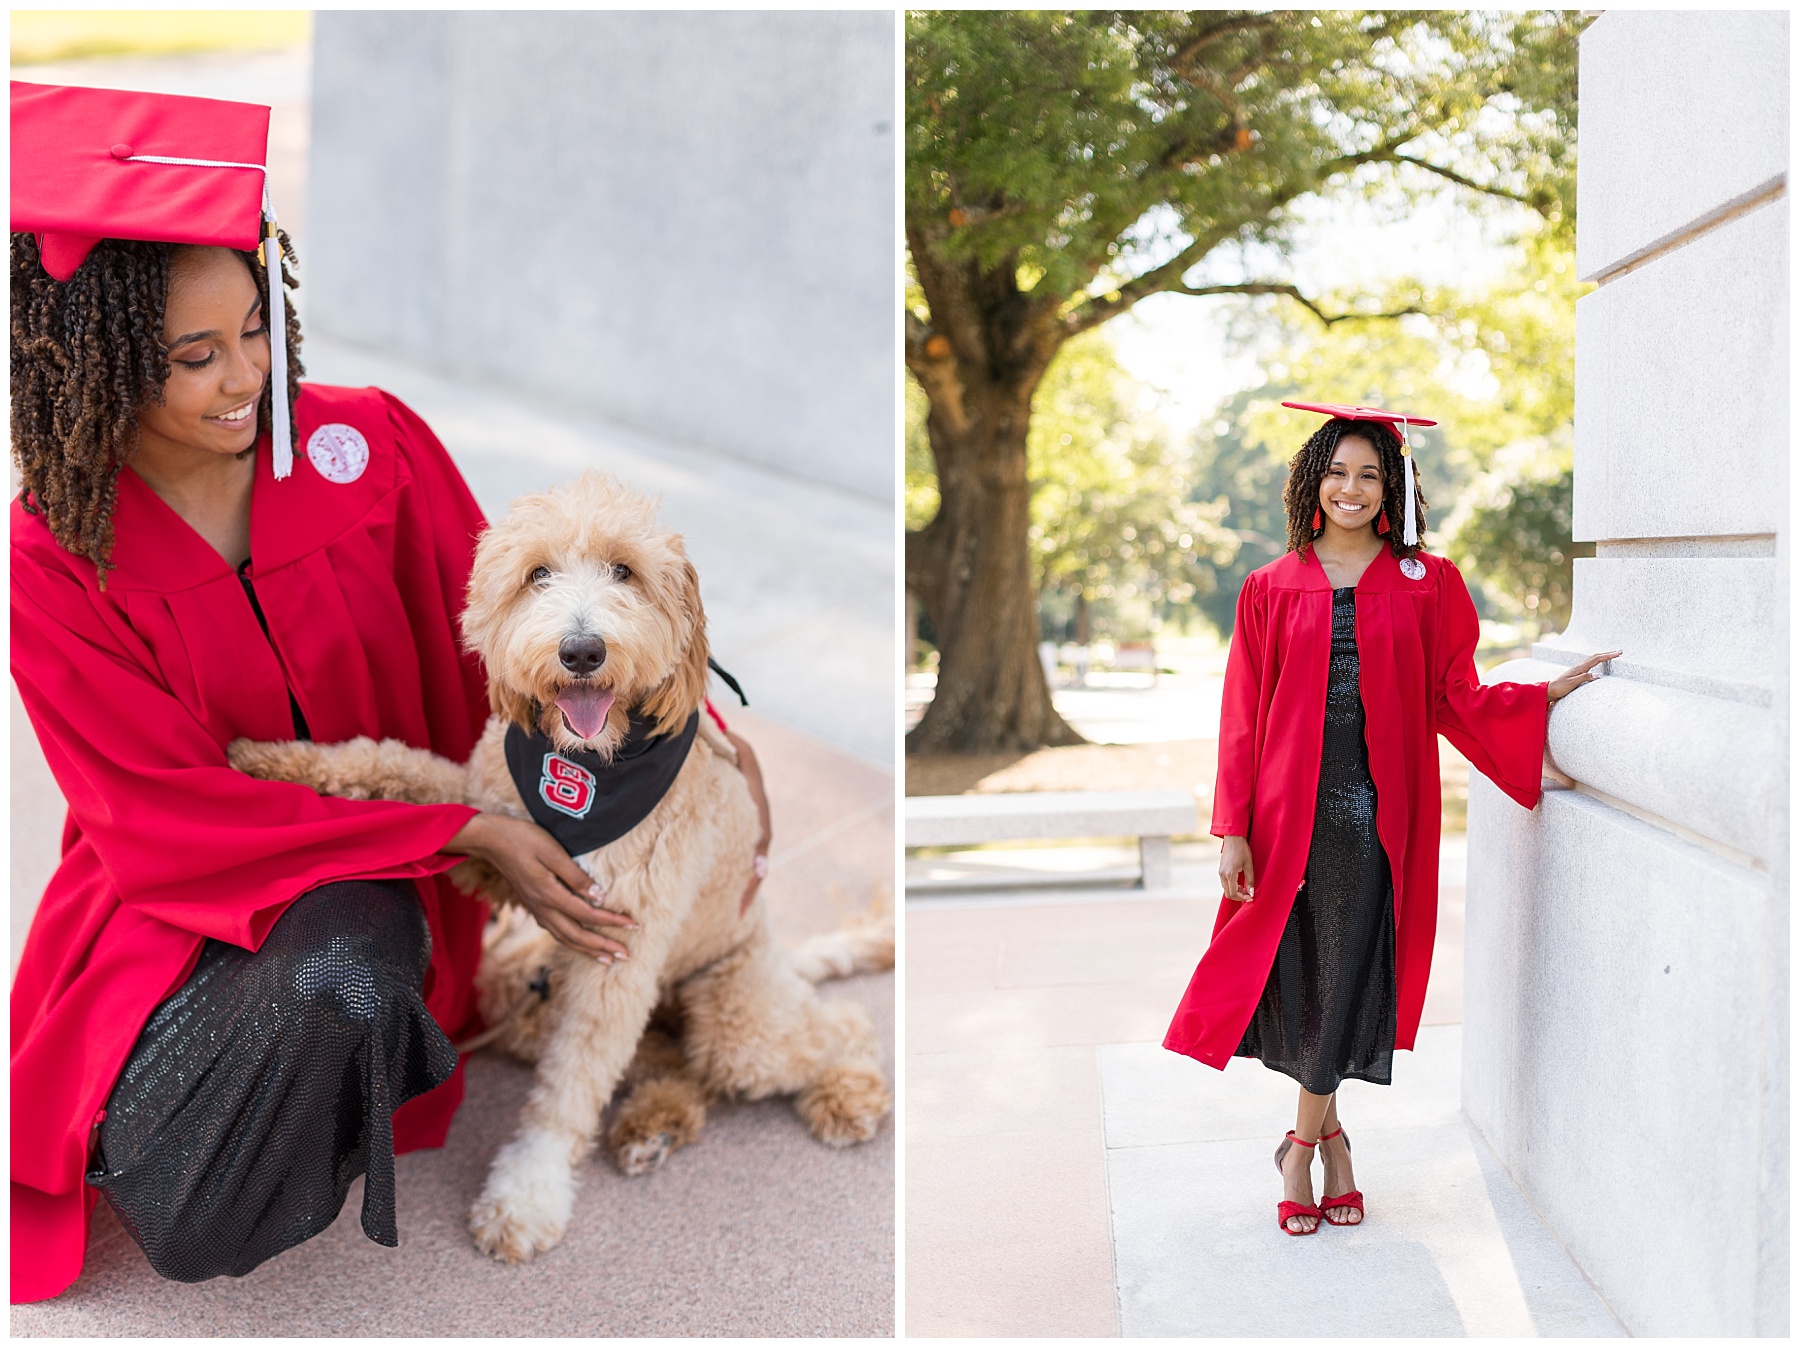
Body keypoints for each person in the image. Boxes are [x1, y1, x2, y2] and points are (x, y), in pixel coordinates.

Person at [9, 82, 771, 1301]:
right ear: (88, 363)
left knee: (359, 951)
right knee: (189, 1201)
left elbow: (530, 631)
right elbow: (160, 817)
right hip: (174, 905)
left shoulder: (370, 451)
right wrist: (465, 826)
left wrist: (702, 731)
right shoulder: (56, 557)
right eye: (193, 357)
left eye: (254, 331)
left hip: (386, 891)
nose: (244, 377)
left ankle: (332, 1065)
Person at [1161, 404, 1617, 1236]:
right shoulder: (1270, 587)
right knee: (1303, 978)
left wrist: (1538, 697)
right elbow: (1241, 717)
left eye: (1371, 474)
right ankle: (1329, 1143)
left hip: (1378, 819)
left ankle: (1299, 1151)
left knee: (1348, 975)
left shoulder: (1428, 582)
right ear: (1312, 481)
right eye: (1337, 471)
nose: (1352, 488)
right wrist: (1232, 827)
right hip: (1285, 818)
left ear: (1394, 487)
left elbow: (1455, 694)